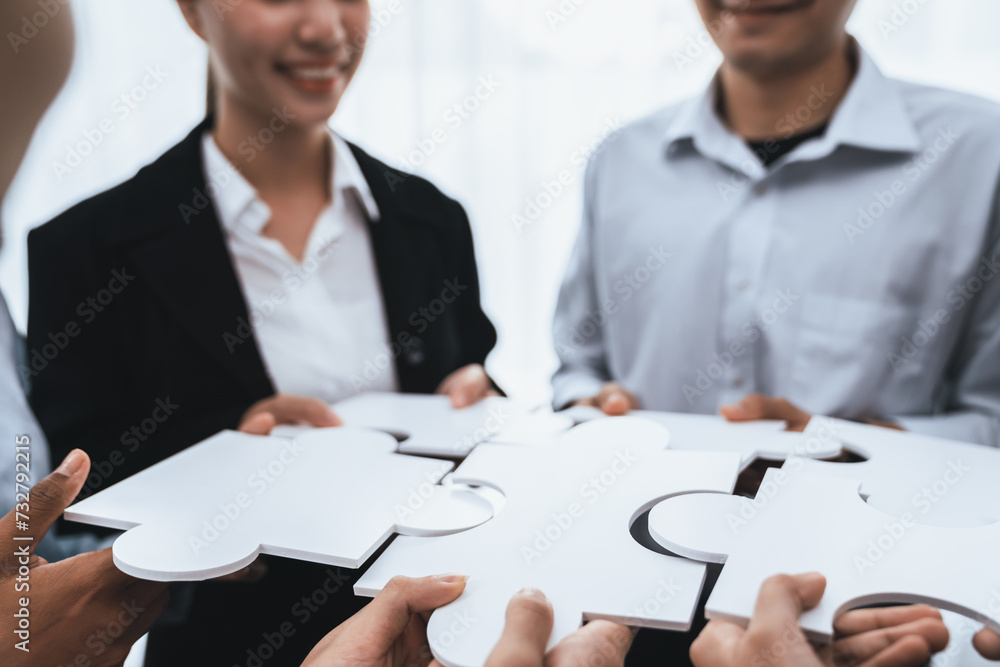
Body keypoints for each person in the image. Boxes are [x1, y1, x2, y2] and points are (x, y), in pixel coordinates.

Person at [26, 0, 498, 663]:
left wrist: (480, 398)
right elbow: (73, 485)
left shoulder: (433, 217)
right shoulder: (86, 249)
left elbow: (470, 375)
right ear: (192, 12)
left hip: (435, 632)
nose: (326, 29)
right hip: (231, 643)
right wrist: (228, 448)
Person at [553, 0, 1000, 447]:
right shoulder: (620, 160)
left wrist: (858, 448)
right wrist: (589, 407)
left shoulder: (980, 157)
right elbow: (577, 370)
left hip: (876, 517)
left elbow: (991, 418)